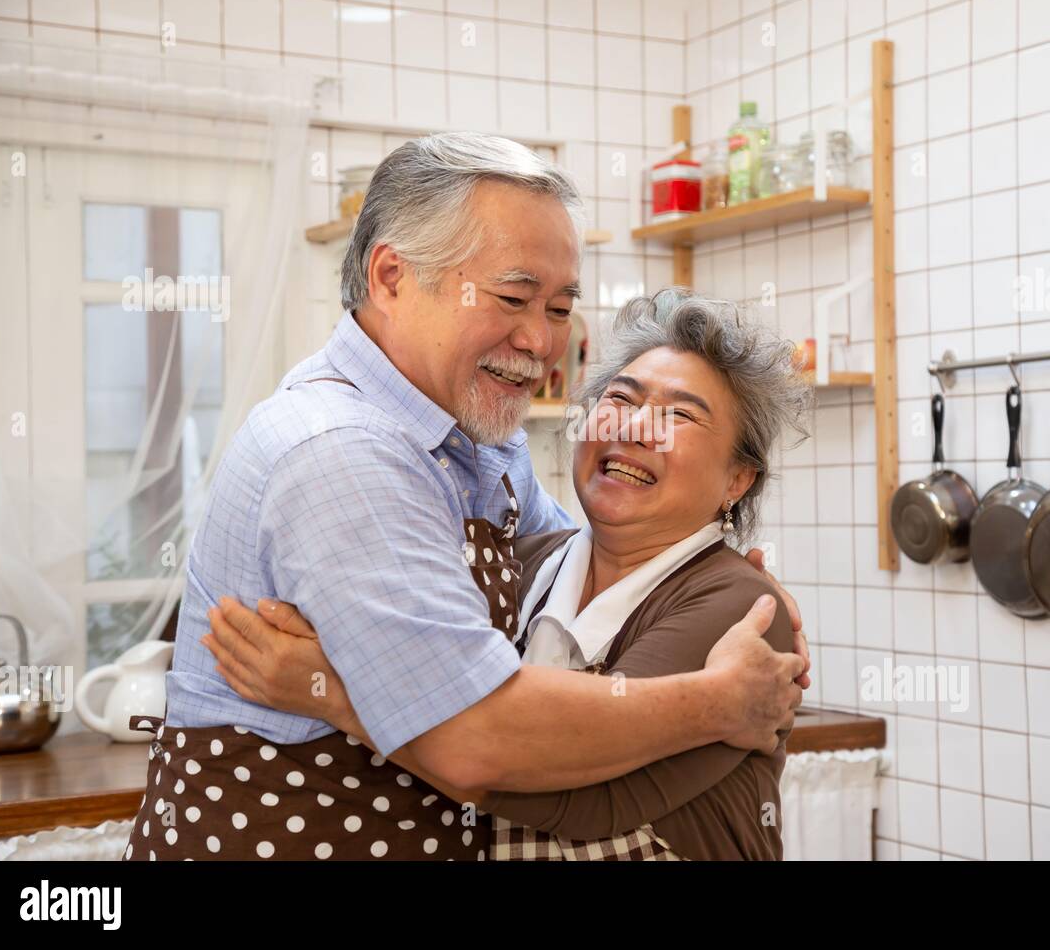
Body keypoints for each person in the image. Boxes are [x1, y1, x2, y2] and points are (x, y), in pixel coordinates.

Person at [123, 134, 807, 862]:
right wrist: (722, 701)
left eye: (558, 308)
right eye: (514, 298)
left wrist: (324, 686)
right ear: (391, 276)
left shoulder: (478, 436)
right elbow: (476, 740)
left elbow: (578, 557)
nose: (541, 342)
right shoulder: (342, 451)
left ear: (741, 477)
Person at [208, 288, 812, 860]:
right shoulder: (525, 563)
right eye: (621, 400)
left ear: (738, 479)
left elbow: (577, 795)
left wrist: (330, 692)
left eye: (680, 416)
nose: (634, 428)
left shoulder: (740, 607)